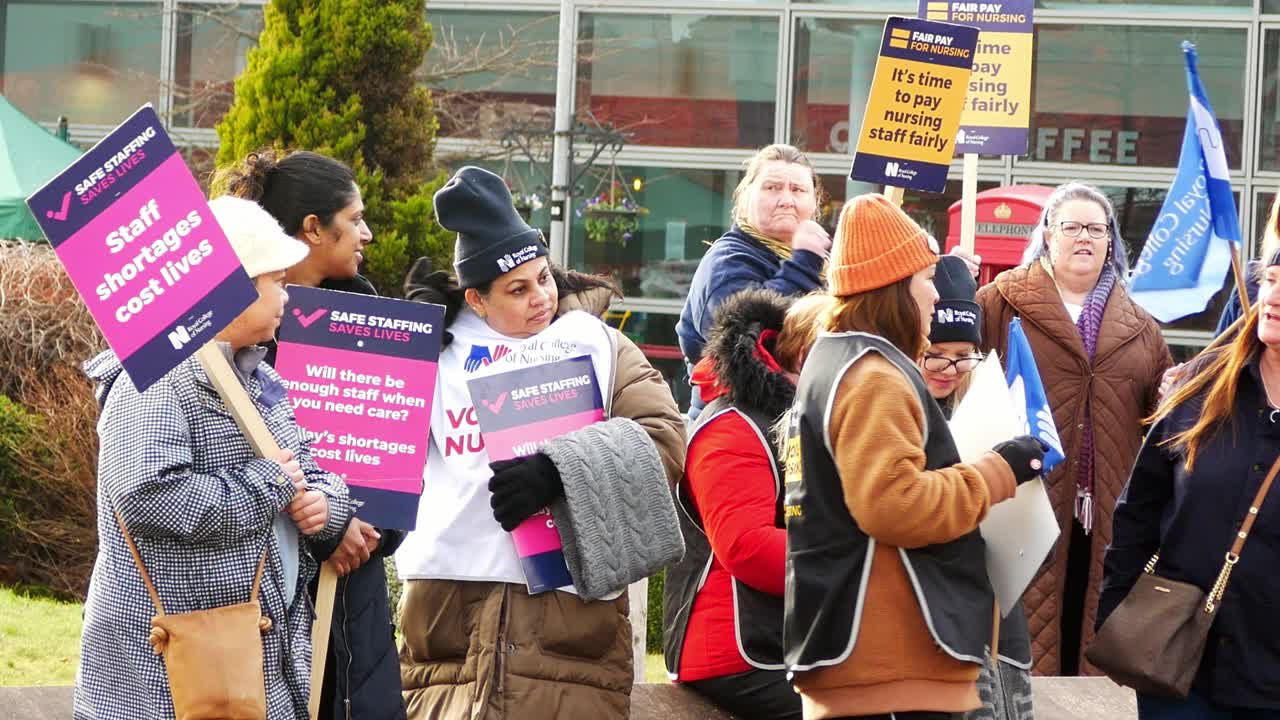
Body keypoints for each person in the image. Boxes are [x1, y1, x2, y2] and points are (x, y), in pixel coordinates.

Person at [394, 166, 686, 719]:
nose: (541, 299)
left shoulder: (600, 344)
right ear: (476, 300)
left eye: (544, 279)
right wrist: (386, 341)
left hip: (569, 621)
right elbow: (365, 446)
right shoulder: (432, 351)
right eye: (518, 289)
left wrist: (560, 472)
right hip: (446, 622)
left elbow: (666, 440)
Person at [76, 196, 354, 719]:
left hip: (246, 668)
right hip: (164, 682)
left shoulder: (259, 377)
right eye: (275, 282)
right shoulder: (156, 379)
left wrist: (326, 505)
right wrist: (266, 486)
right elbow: (147, 493)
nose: (287, 298)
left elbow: (308, 465)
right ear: (230, 289)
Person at [784, 193, 1046, 720]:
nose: (933, 296)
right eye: (925, 279)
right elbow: (895, 505)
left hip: (860, 654)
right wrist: (1000, 470)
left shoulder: (834, 361)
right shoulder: (873, 376)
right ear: (894, 288)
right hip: (886, 659)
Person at [214, 149, 405, 720]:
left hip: (356, 605)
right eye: (356, 218)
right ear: (314, 229)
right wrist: (328, 524)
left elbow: (391, 471)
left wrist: (370, 528)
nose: (368, 232)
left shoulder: (371, 323)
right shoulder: (232, 344)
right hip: (264, 604)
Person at [974, 181, 1171, 677]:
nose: (1084, 238)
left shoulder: (1143, 328)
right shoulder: (998, 303)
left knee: (1089, 646)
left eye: (1096, 229)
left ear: (1110, 242)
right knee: (1021, 643)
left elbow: (1161, 422)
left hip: (1103, 516)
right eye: (1072, 227)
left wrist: (1175, 394)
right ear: (1047, 235)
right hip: (1021, 502)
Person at [1099, 250, 1280, 718]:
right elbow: (1139, 506)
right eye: (1272, 282)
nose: (1274, 298)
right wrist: (1118, 612)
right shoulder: (1202, 386)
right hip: (1176, 668)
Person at [663, 288, 826, 720]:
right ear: (810, 355)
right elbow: (747, 547)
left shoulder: (804, 418)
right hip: (735, 650)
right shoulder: (734, 426)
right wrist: (852, 564)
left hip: (781, 640)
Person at [921, 256, 1034, 720]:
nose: (950, 368)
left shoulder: (984, 410)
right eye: (935, 353)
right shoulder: (891, 410)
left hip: (992, 608)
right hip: (936, 624)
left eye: (964, 354)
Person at [676, 144, 832, 419]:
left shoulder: (825, 265)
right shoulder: (726, 260)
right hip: (735, 426)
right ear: (746, 198)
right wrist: (804, 263)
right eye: (772, 188)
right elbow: (745, 339)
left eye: (798, 190)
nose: (786, 200)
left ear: (814, 203)